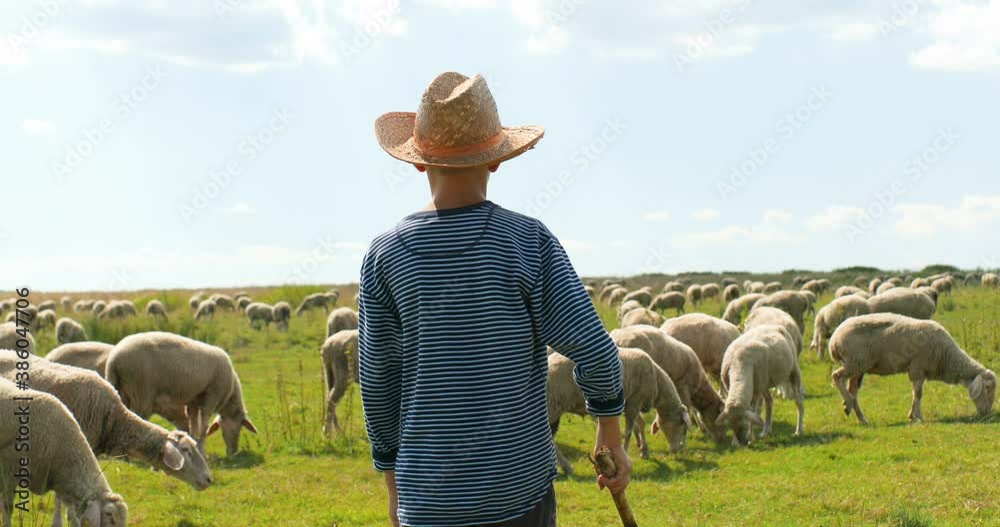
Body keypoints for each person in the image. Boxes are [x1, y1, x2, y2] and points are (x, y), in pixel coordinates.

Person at [359, 71, 630, 527]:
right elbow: (596, 351)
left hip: (429, 498)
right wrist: (610, 435)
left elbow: (379, 383)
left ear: (419, 162)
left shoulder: (386, 255)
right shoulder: (527, 241)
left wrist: (394, 486)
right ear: (497, 160)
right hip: (519, 492)